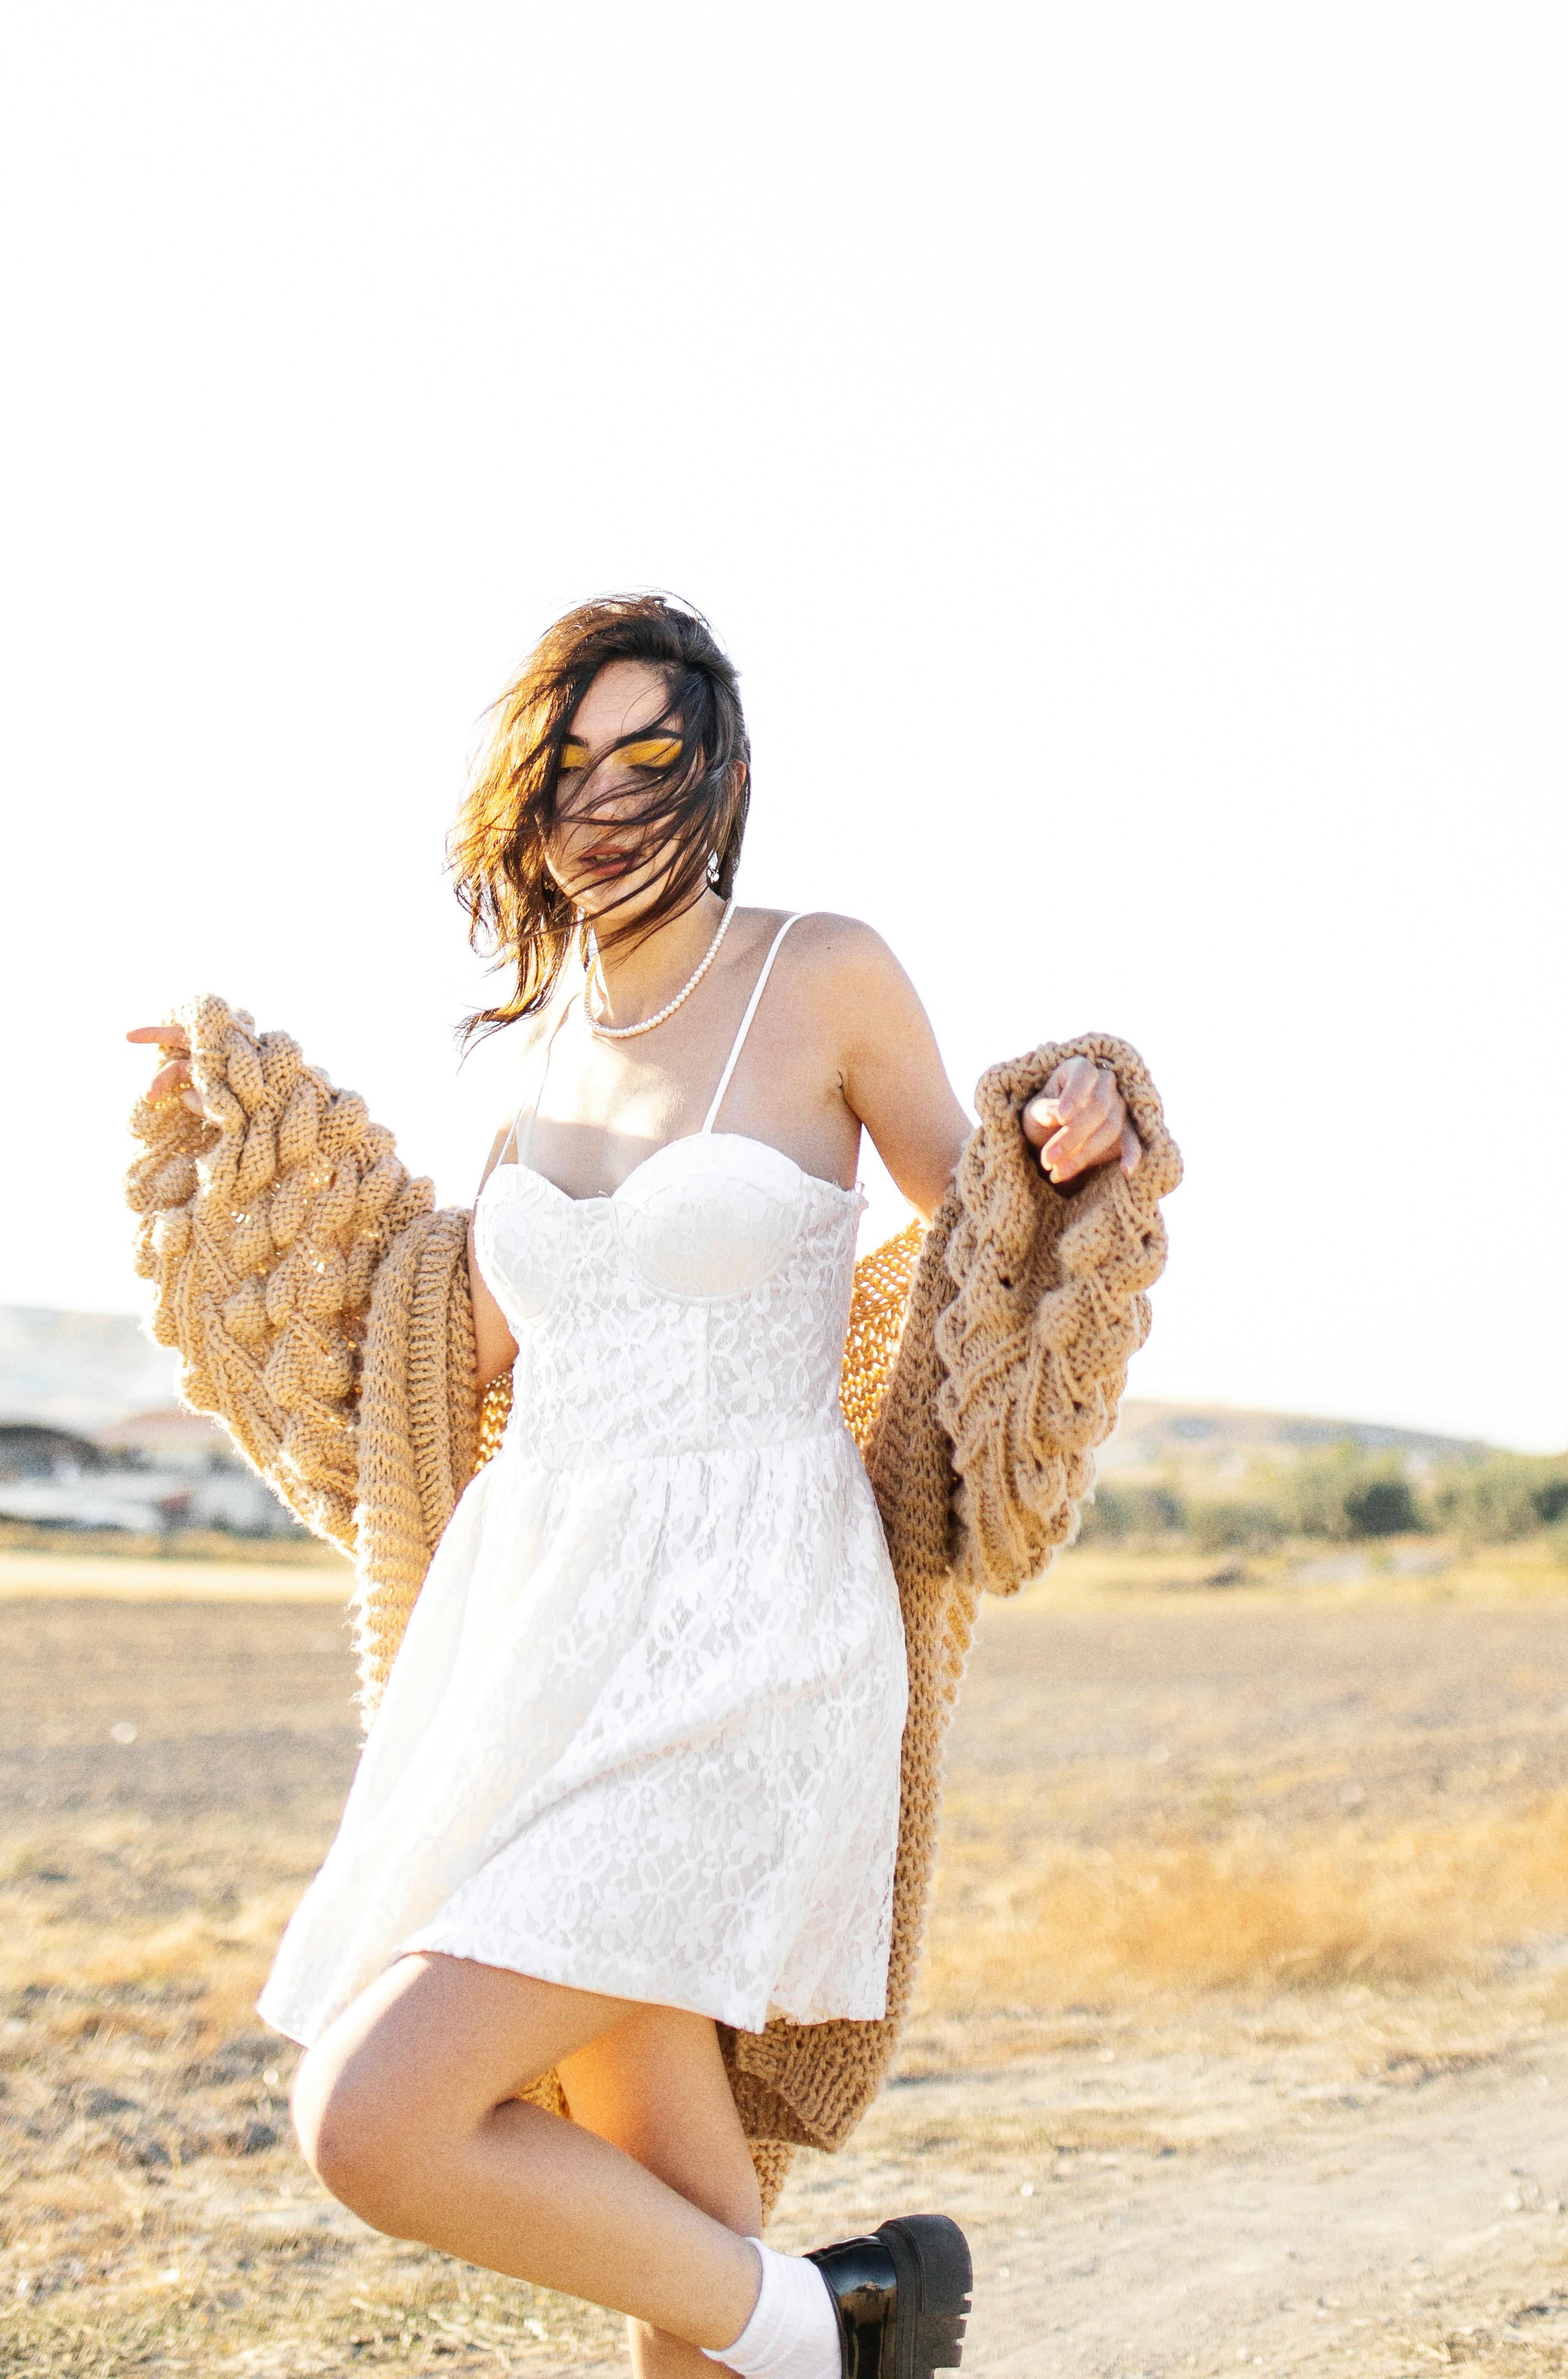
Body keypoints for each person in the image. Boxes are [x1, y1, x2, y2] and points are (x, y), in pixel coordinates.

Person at [125, 596, 1177, 2379]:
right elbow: (437, 1343)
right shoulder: (526, 1057)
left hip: (749, 1640)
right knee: (680, 2224)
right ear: (519, 804)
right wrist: (260, 1145)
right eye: (570, 765)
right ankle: (807, 2328)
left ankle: (840, 2330)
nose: (608, 801)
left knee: (373, 2122)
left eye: (653, 759)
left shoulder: (821, 974)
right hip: (542, 1646)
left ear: (727, 776)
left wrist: (1078, 1113)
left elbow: (988, 1220)